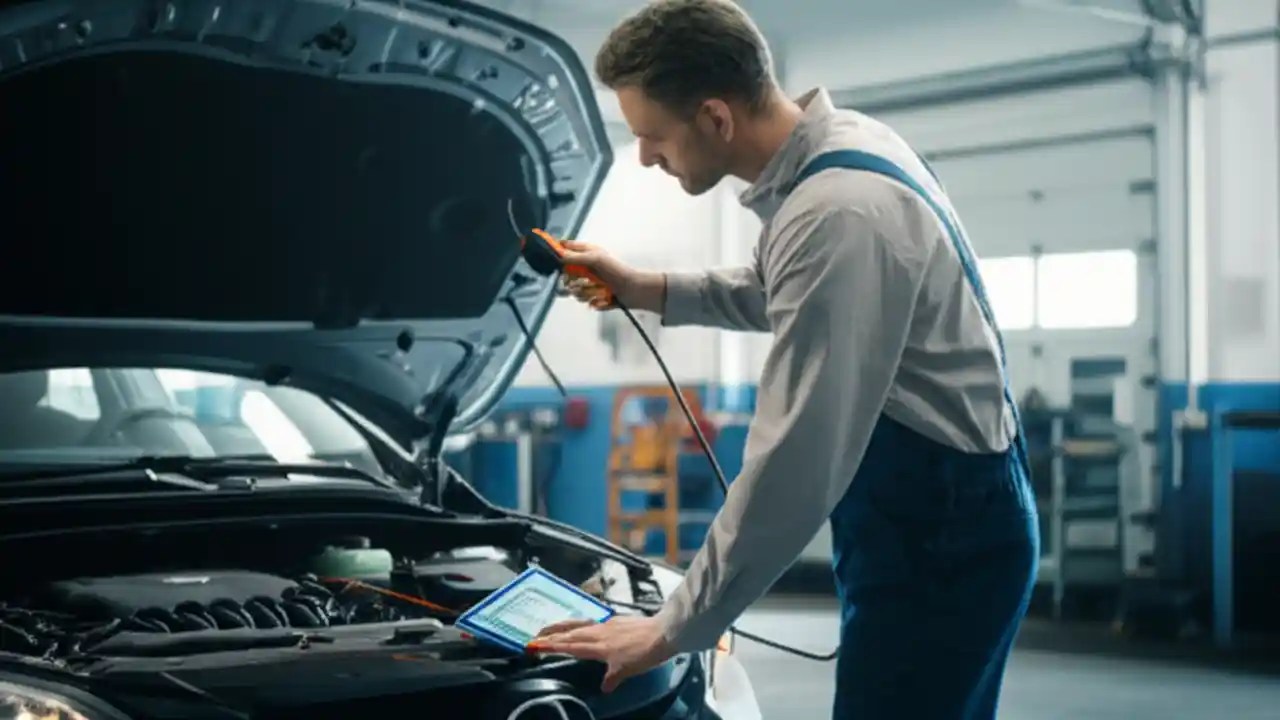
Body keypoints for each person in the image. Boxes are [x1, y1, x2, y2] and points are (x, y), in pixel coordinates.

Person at [527, 1, 1040, 717]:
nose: (644, 157)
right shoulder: (838, 152)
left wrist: (673, 629)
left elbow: (794, 463)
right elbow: (784, 291)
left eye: (652, 136)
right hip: (936, 516)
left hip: (941, 541)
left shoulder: (837, 213)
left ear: (715, 117)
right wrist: (645, 288)